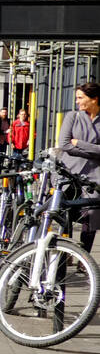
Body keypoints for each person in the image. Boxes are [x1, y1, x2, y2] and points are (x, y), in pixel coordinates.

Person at [59, 82, 100, 254]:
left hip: (94, 175)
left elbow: (74, 144)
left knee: (92, 215)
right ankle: (64, 251)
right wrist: (95, 151)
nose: (77, 102)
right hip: (69, 172)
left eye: (80, 98)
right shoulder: (72, 117)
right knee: (64, 214)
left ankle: (84, 256)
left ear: (94, 99)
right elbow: (65, 145)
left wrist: (81, 144)